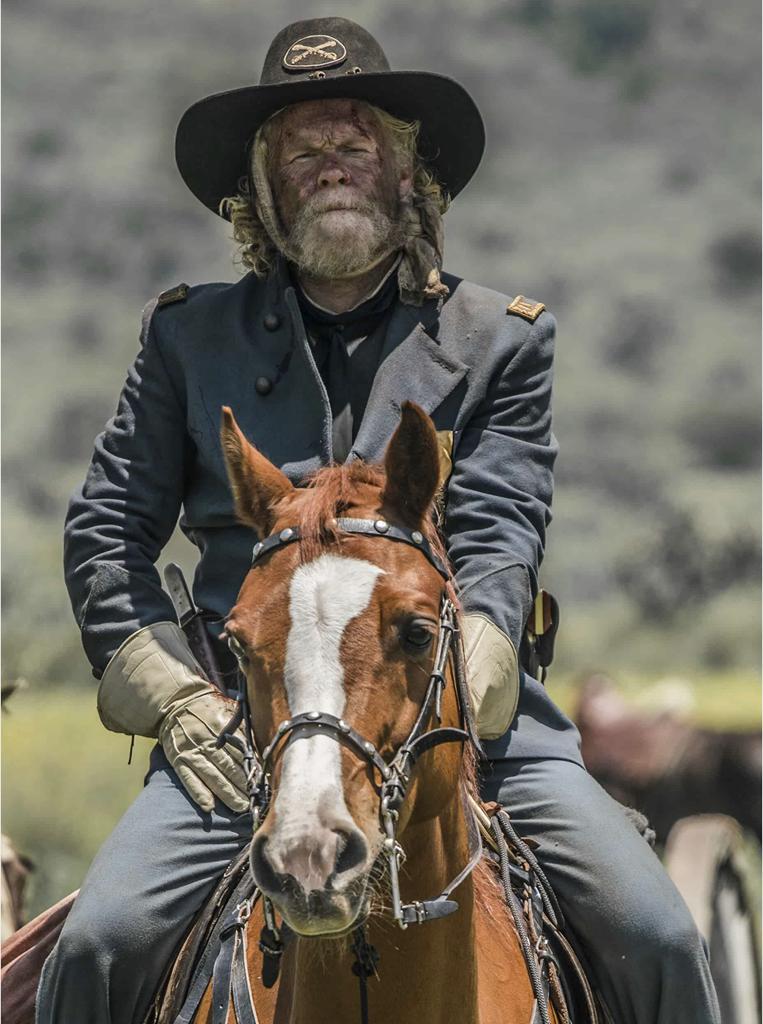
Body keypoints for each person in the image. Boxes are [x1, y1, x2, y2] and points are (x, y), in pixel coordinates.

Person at [37, 16, 719, 1024]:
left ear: (409, 173)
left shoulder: (499, 341)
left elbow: (497, 532)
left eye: (356, 142)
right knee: (101, 944)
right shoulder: (186, 338)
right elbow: (105, 534)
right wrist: (176, 701)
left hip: (462, 717)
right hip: (244, 729)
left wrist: (475, 672)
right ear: (260, 192)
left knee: (658, 935)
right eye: (302, 150)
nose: (331, 167)